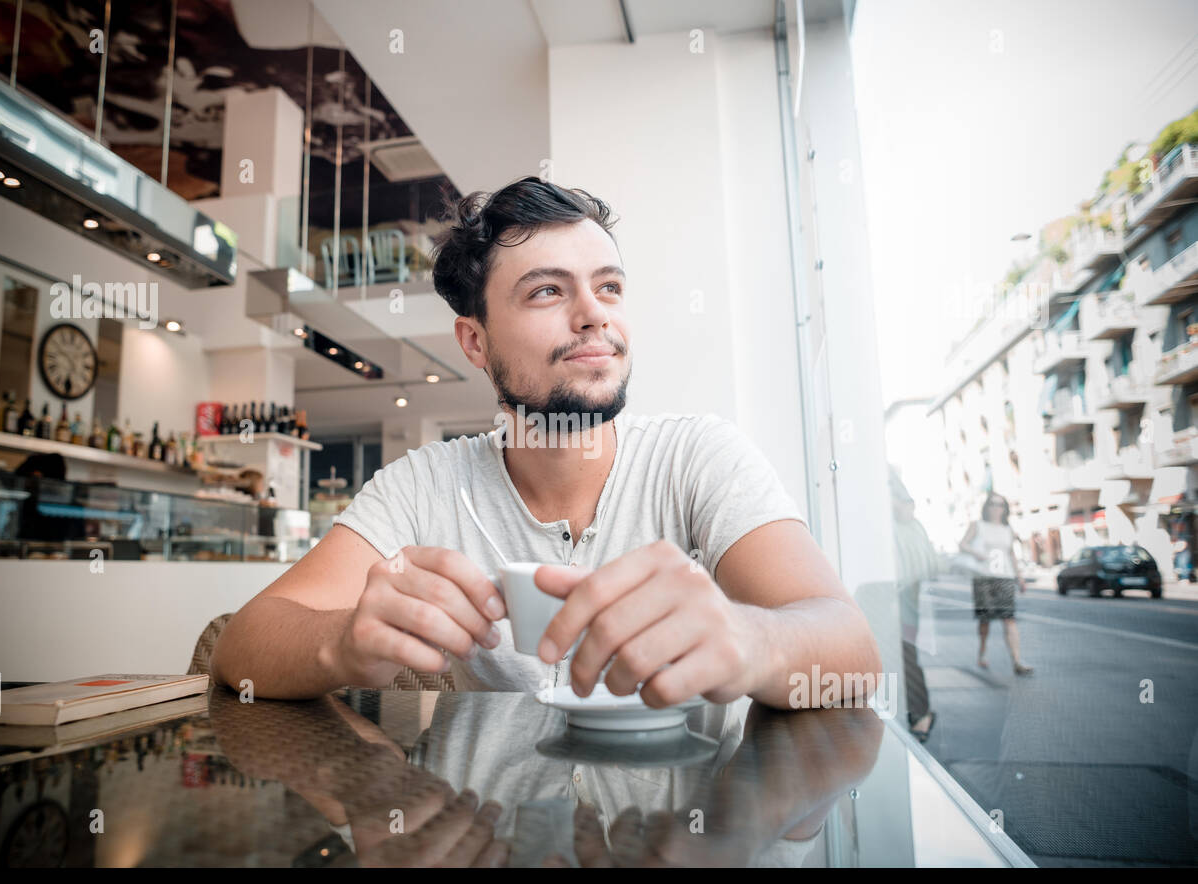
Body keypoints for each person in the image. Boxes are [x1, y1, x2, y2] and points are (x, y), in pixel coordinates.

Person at [212, 176, 880, 706]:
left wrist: (751, 638)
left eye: (609, 287)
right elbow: (243, 645)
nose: (594, 313)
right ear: (475, 340)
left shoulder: (699, 457)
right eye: (547, 291)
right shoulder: (424, 487)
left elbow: (852, 652)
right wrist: (341, 644)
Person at [888, 473, 939, 742]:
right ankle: (915, 711)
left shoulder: (908, 525)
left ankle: (922, 713)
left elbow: (906, 508)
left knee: (905, 651)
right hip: (897, 590)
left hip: (904, 591)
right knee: (899, 652)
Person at [959, 493, 1033, 676]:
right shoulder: (978, 525)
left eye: (1000, 505)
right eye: (992, 504)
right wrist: (975, 553)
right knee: (985, 620)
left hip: (1004, 577)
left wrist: (1020, 577)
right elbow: (962, 544)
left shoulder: (1007, 529)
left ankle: (1016, 661)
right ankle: (982, 651)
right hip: (983, 577)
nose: (996, 508)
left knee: (1009, 619)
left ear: (1005, 509)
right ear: (986, 507)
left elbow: (1011, 554)